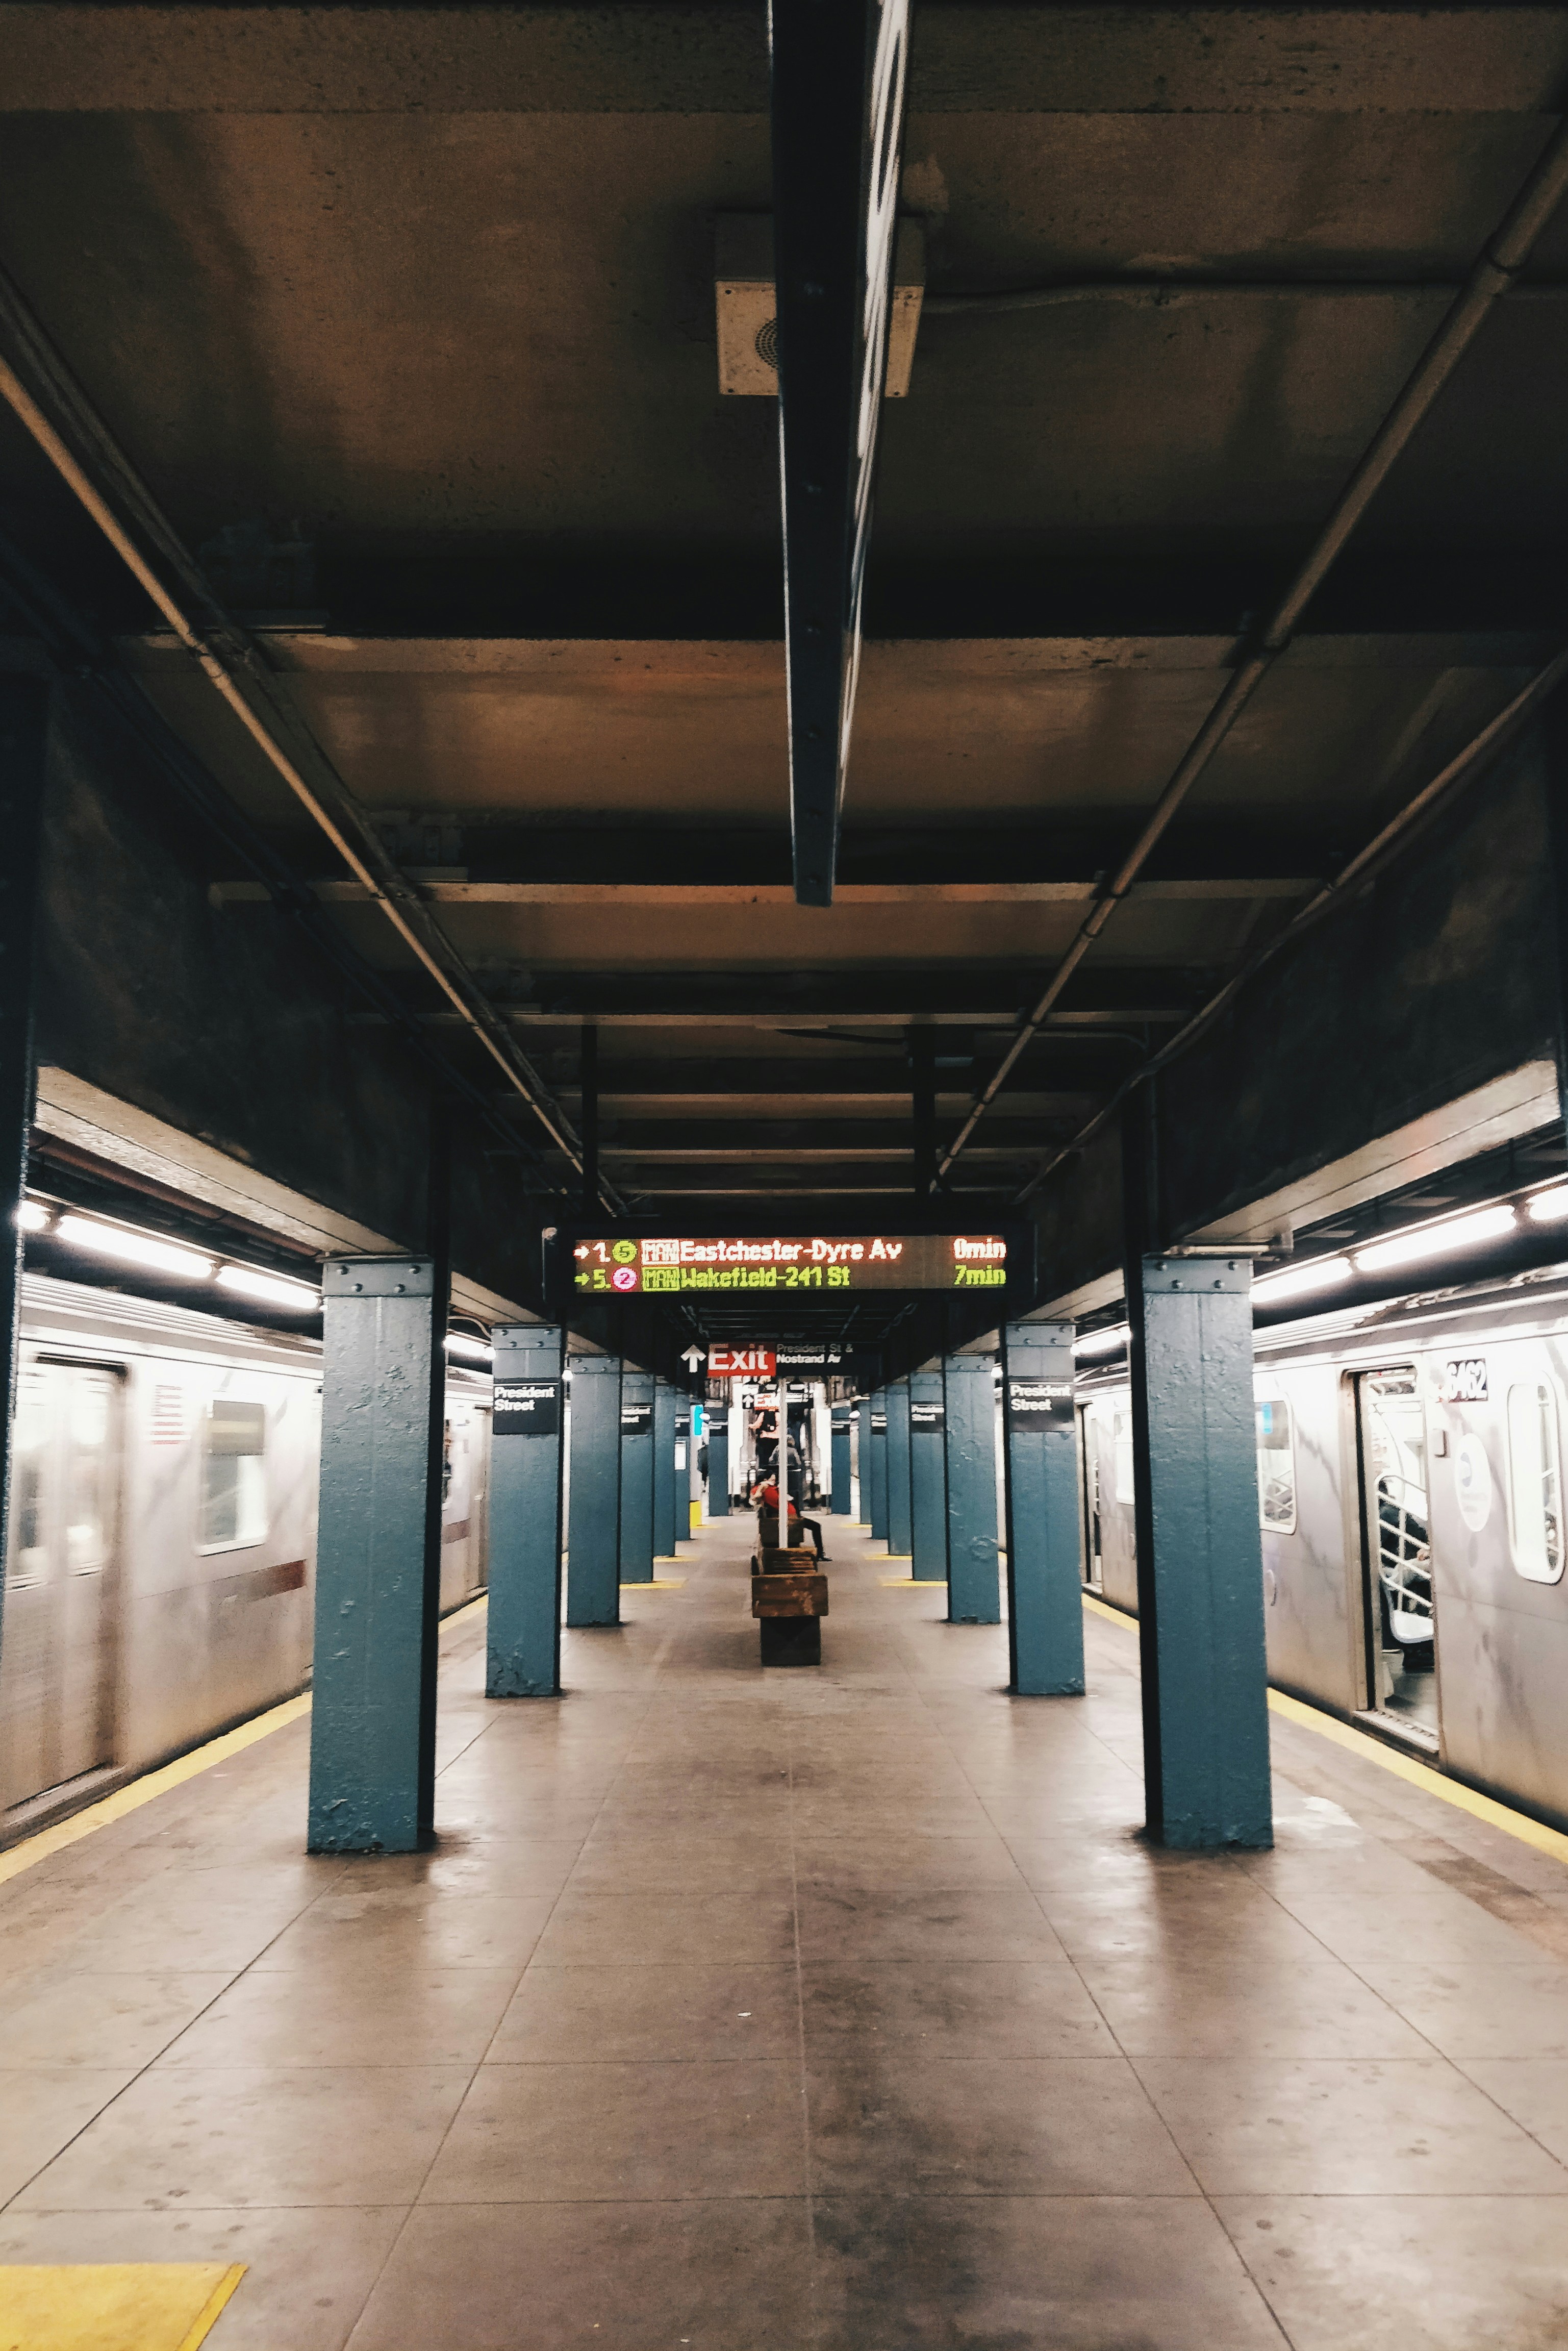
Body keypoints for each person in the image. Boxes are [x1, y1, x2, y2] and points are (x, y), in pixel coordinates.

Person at [752, 1475, 827, 1562]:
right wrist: (762, 1486)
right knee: (816, 1526)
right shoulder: (765, 1488)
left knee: (815, 1526)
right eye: (772, 1480)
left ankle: (821, 1553)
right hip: (789, 1517)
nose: (774, 1482)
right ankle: (820, 1554)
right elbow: (755, 1498)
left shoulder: (773, 1489)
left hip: (790, 1515)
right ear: (765, 1480)